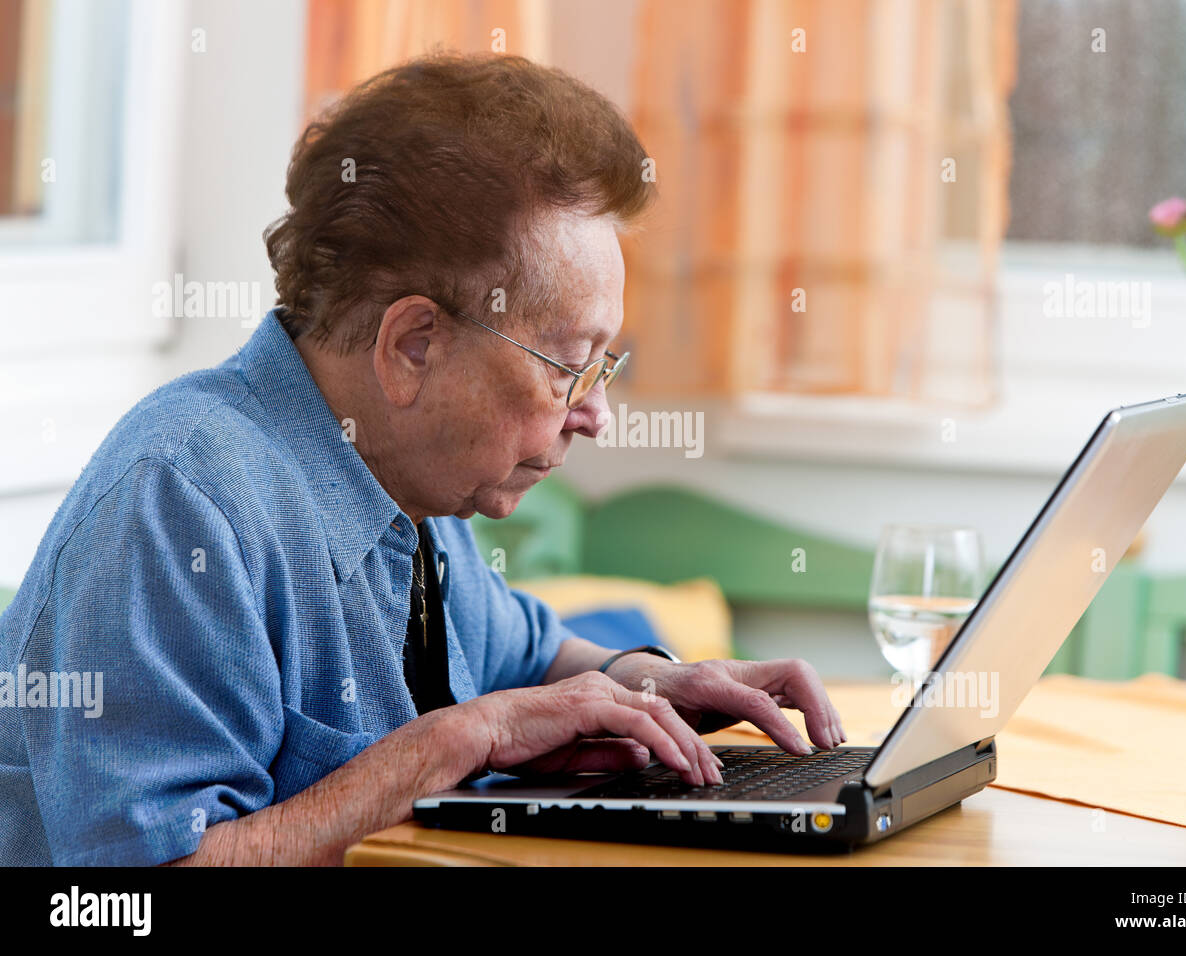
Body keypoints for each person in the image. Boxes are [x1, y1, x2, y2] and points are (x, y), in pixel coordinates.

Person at [0, 51, 845, 866]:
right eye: (567, 364)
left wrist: (654, 685)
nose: (596, 415)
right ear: (413, 345)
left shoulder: (406, 476)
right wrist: (466, 735)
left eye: (604, 365)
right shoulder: (179, 503)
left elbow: (528, 656)